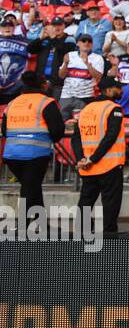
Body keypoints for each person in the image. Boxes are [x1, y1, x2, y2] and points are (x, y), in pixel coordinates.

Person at [1, 72, 66, 220]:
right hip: (35, 154)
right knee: (30, 189)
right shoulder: (46, 102)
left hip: (11, 155)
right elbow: (57, 130)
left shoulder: (12, 103)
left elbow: (4, 131)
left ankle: (40, 223)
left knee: (32, 187)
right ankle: (24, 226)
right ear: (43, 85)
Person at [70, 77, 127, 235]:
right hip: (109, 165)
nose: (121, 91)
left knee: (86, 201)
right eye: (117, 88)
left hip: (88, 166)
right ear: (108, 90)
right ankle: (109, 236)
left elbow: (76, 137)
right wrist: (93, 158)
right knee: (110, 204)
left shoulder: (85, 109)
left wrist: (81, 159)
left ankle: (82, 233)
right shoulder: (114, 108)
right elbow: (111, 136)